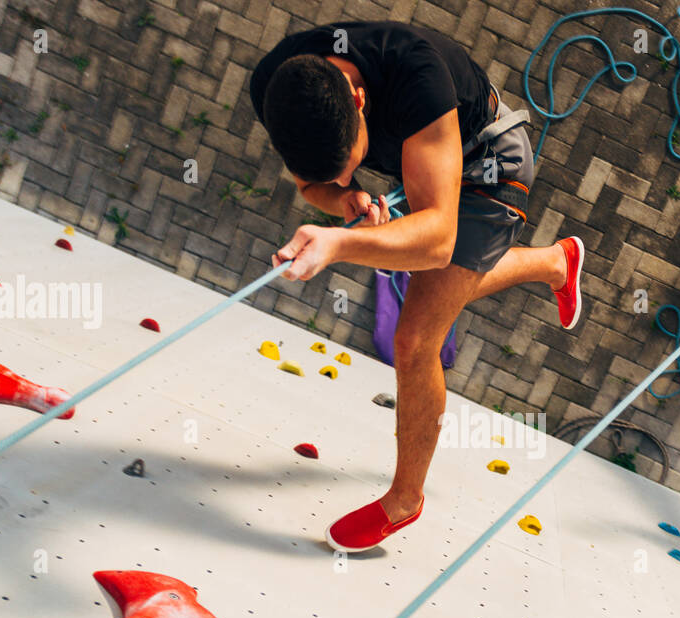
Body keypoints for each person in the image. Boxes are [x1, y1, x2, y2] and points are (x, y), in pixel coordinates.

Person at [250, 20, 585, 553]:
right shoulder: (279, 84)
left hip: (490, 164)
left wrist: (338, 244)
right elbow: (318, 182)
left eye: (348, 166)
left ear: (359, 100)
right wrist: (345, 200)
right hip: (424, 165)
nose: (340, 179)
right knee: (443, 292)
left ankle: (405, 500)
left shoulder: (416, 73)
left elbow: (436, 238)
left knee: (416, 339)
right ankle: (554, 263)